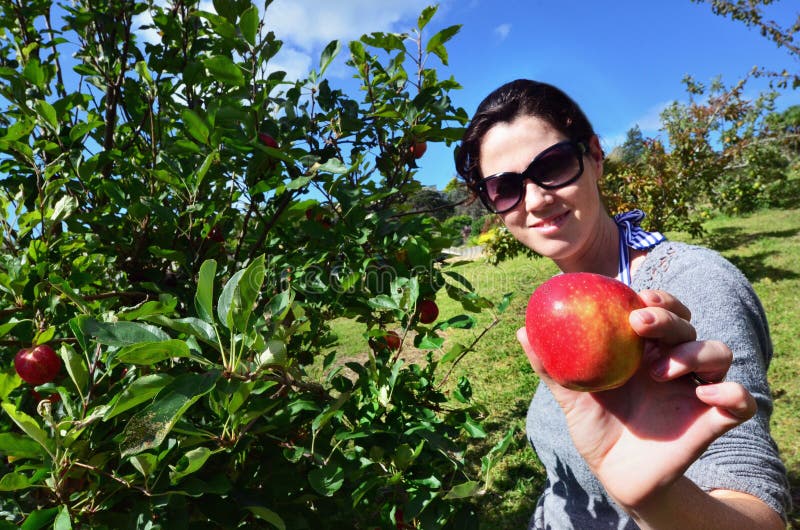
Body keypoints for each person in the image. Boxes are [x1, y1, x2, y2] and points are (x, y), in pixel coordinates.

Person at [455, 79, 791, 529]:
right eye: (504, 188)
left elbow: (756, 507)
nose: (535, 200)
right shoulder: (564, 301)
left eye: (551, 165)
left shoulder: (690, 286)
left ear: (594, 157)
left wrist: (654, 501)